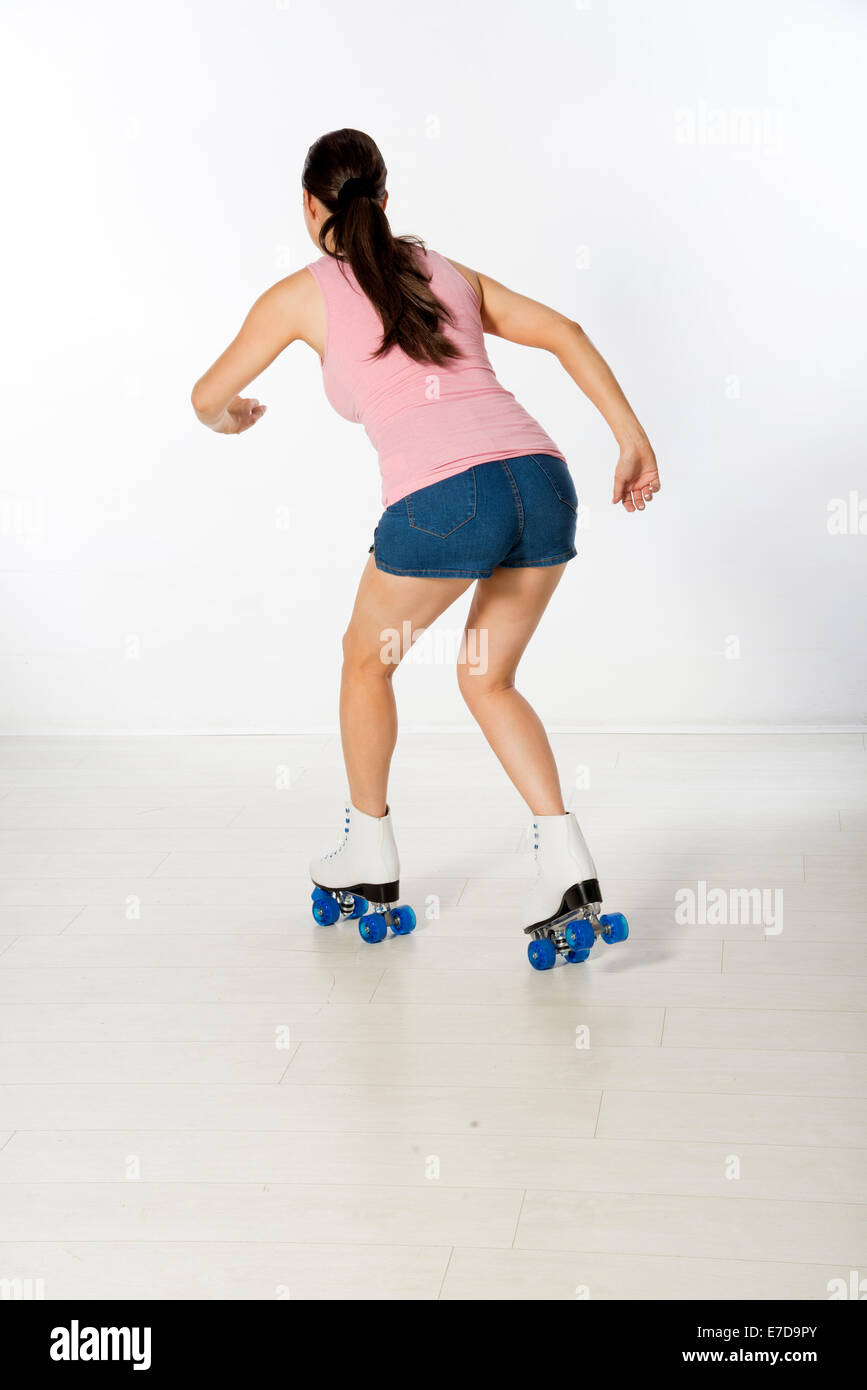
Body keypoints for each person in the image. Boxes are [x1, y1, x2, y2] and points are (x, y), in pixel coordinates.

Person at [192, 128, 660, 969]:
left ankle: (368, 856)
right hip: (543, 482)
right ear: (383, 195)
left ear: (310, 205)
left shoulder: (298, 295)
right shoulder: (446, 270)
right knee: (488, 676)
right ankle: (565, 864)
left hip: (449, 499)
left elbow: (206, 397)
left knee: (364, 662)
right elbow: (565, 329)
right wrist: (631, 439)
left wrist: (232, 419)